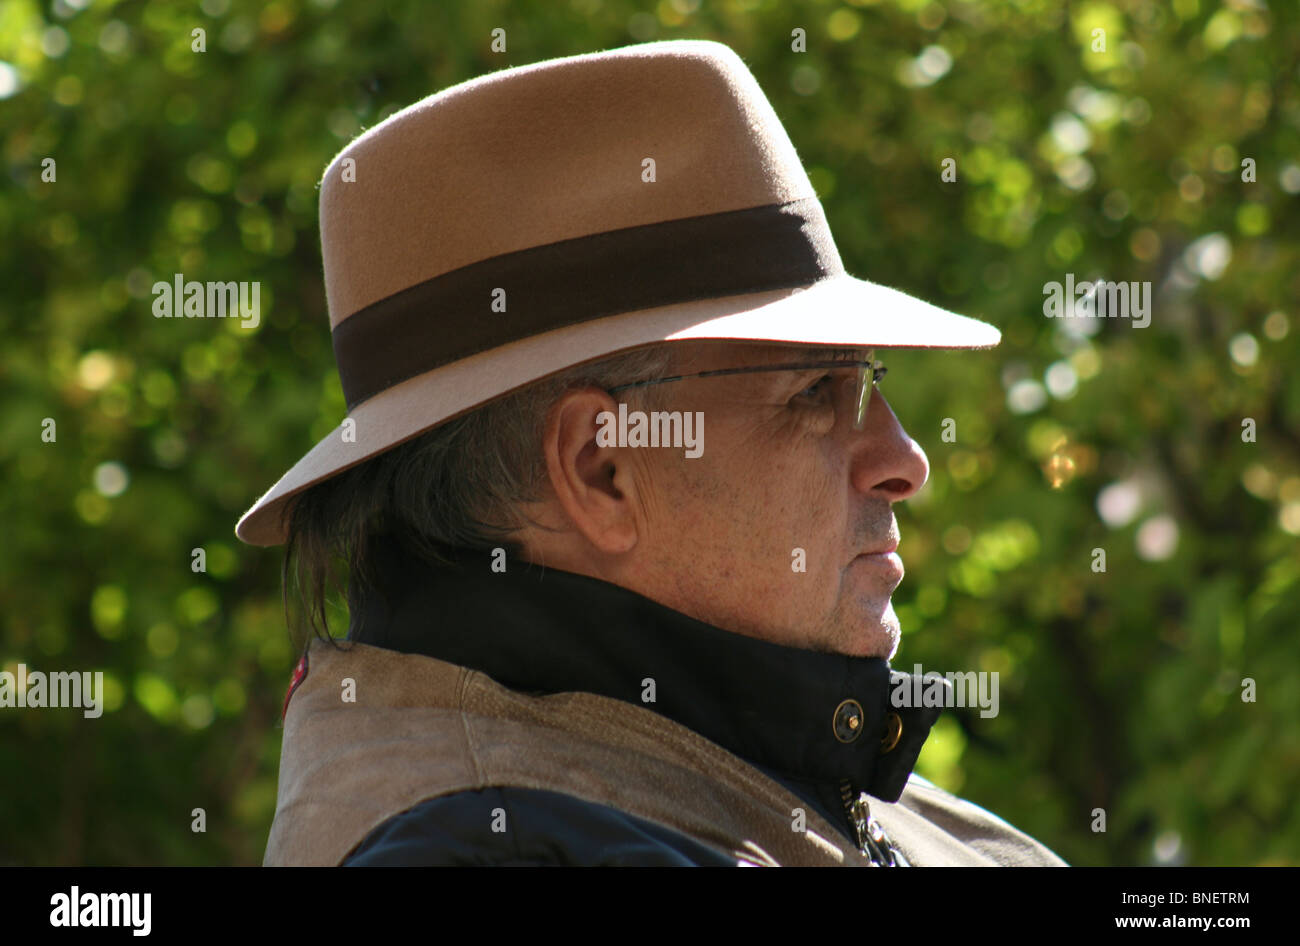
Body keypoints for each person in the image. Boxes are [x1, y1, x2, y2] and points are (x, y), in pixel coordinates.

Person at [237, 38, 1066, 867]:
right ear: (603, 469)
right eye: (816, 392)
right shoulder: (486, 848)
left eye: (868, 382)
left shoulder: (761, 776)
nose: (904, 460)